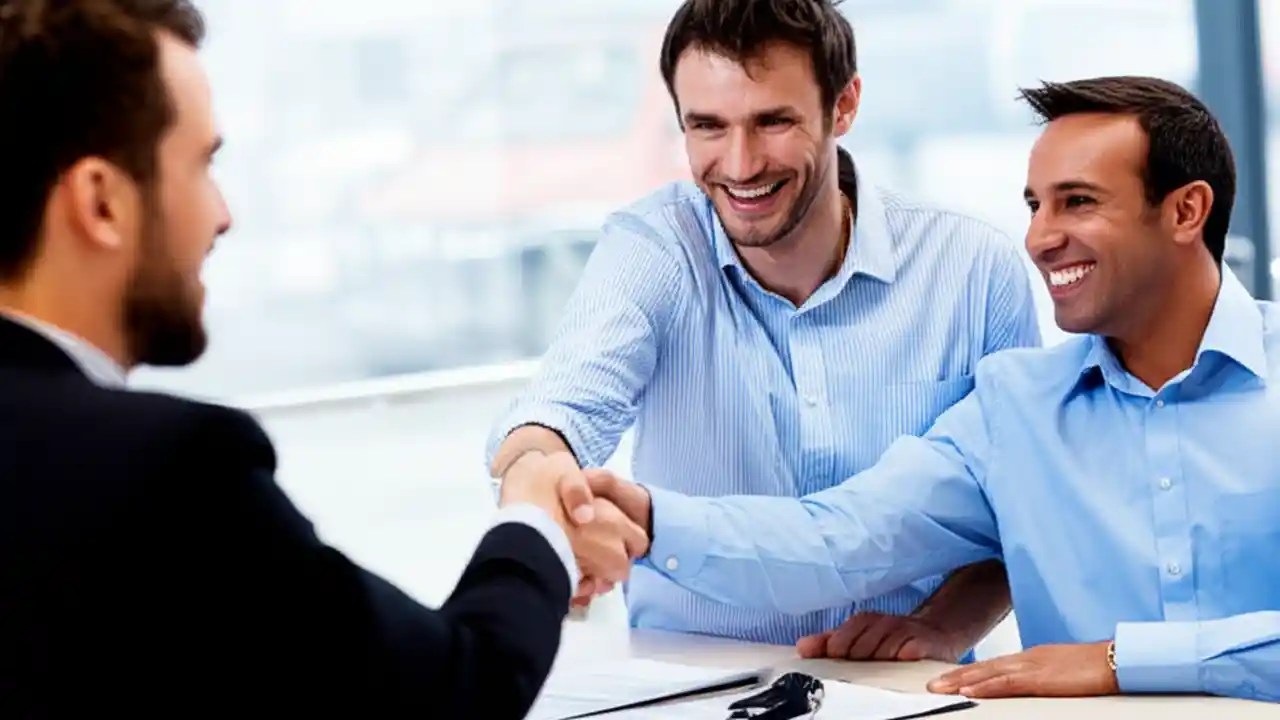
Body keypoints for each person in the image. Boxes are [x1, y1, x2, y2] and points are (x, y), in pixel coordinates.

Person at [0, 1, 645, 716]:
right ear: (101, 204)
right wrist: (536, 519)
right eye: (202, 165)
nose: (223, 215)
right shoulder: (166, 470)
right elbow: (458, 693)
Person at [566, 74, 1280, 703]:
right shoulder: (1013, 409)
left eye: (1077, 202)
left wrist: (1119, 661)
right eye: (1035, 205)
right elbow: (837, 539)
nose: (1038, 238)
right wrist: (648, 523)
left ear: (1187, 212)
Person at [486, 0, 1040, 658]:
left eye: (773, 122)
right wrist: (539, 480)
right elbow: (563, 405)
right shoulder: (654, 247)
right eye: (708, 127)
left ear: (845, 106)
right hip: (689, 690)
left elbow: (1020, 507)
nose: (741, 163)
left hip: (903, 684)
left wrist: (946, 625)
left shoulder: (971, 268)